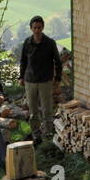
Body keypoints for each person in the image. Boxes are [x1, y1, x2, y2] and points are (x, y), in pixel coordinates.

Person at [19, 15, 61, 145]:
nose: (37, 30)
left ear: (43, 27)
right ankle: (36, 134)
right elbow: (23, 61)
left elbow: (58, 62)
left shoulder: (49, 43)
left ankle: (48, 133)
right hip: (30, 80)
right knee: (33, 110)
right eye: (34, 28)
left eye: (39, 27)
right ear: (31, 28)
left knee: (47, 108)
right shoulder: (27, 43)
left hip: (45, 80)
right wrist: (21, 77)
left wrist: (58, 79)